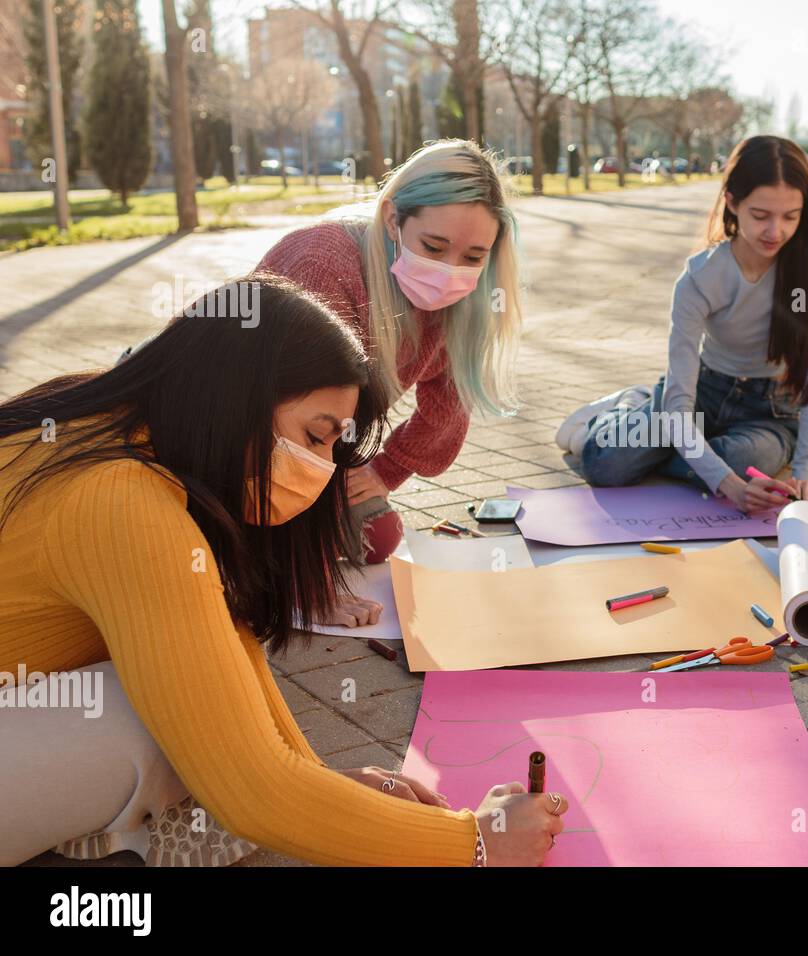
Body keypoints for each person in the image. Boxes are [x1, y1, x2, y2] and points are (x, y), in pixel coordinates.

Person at [0, 277, 568, 866]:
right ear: (235, 396)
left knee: (191, 696)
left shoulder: (106, 416)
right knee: (146, 727)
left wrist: (318, 783)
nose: (322, 471)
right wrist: (474, 846)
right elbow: (250, 787)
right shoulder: (122, 502)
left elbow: (223, 642)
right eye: (315, 437)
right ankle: (134, 835)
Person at [257, 139, 524, 625]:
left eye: (473, 256)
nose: (450, 272)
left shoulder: (458, 306)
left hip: (320, 443)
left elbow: (446, 410)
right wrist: (309, 581)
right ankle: (253, 552)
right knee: (225, 551)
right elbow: (291, 434)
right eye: (434, 247)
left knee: (376, 535)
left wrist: (386, 470)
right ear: (391, 219)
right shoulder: (324, 264)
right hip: (239, 443)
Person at [558, 135, 808, 515]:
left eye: (791, 216)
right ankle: (630, 409)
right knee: (607, 464)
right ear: (733, 203)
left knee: (740, 460)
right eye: (760, 215)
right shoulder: (701, 276)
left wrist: (806, 469)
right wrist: (732, 490)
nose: (776, 231)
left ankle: (676, 446)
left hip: (769, 412)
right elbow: (679, 402)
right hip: (703, 392)